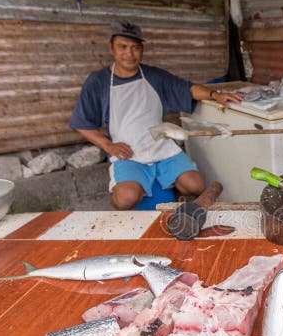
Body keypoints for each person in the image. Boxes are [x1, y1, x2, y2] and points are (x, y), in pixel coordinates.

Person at [70, 21, 242, 210]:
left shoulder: (154, 76)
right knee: (126, 198)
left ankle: (174, 196)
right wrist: (108, 145)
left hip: (161, 147)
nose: (129, 53)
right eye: (123, 47)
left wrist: (215, 95)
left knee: (195, 185)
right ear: (111, 48)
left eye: (135, 48)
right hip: (129, 152)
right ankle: (129, 199)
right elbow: (82, 123)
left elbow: (189, 89)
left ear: (142, 50)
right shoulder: (98, 82)